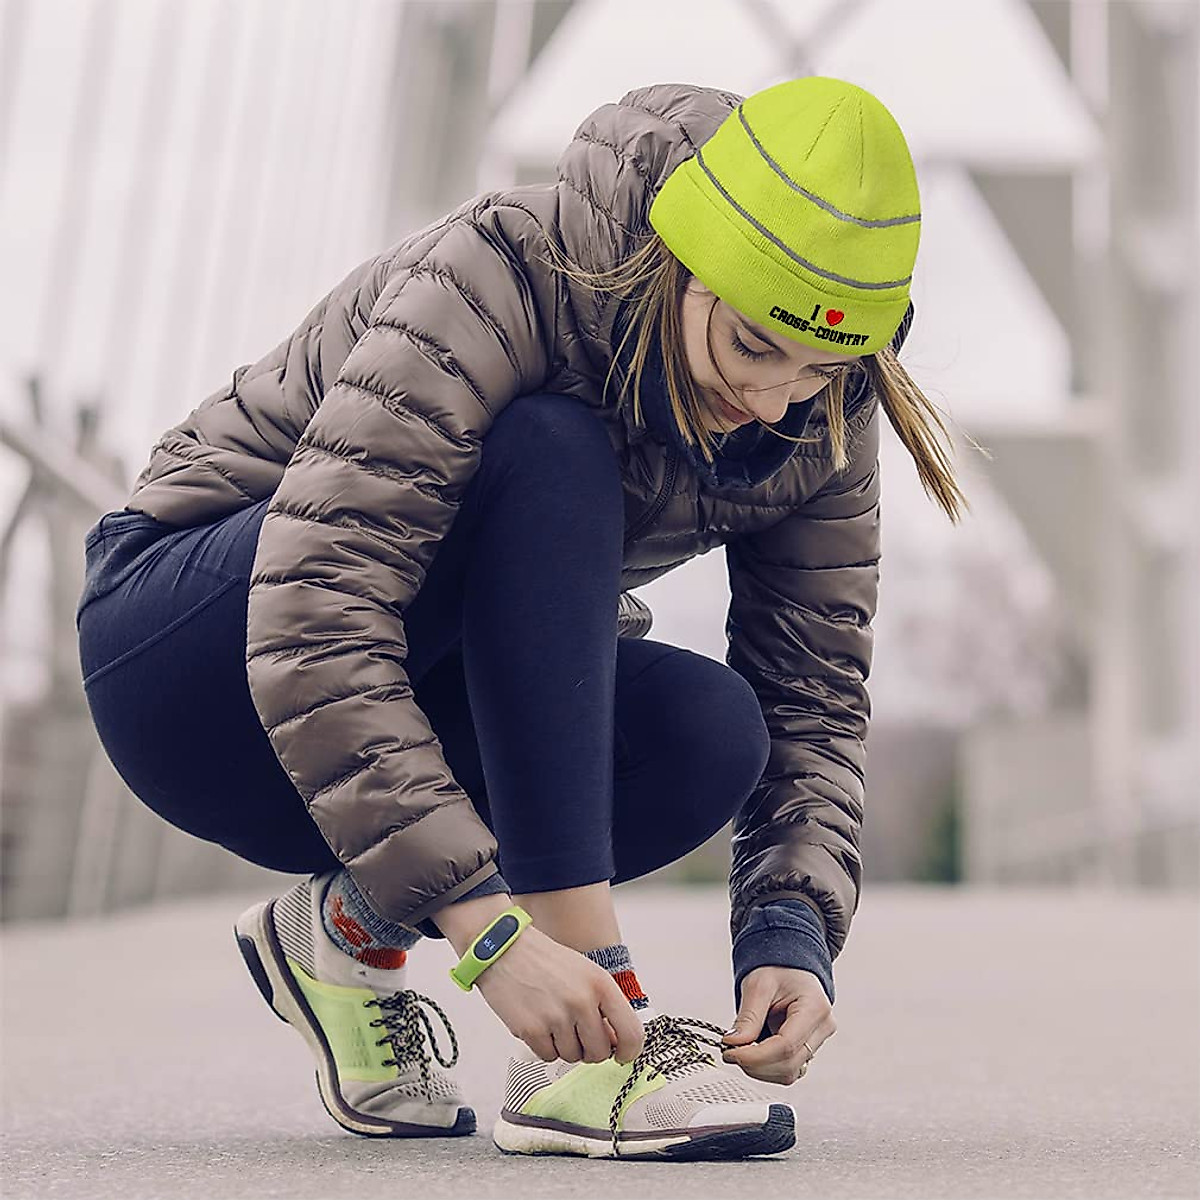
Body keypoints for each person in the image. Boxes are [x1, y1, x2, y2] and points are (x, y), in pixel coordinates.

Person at [75, 75, 965, 1161]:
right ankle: (589, 1036)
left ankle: (345, 928)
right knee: (549, 445)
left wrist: (791, 937)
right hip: (192, 662)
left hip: (381, 710)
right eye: (751, 346)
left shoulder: (818, 413)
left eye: (824, 366)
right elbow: (315, 608)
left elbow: (814, 695)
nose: (778, 397)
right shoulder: (506, 275)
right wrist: (488, 929)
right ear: (678, 265)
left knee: (712, 733)